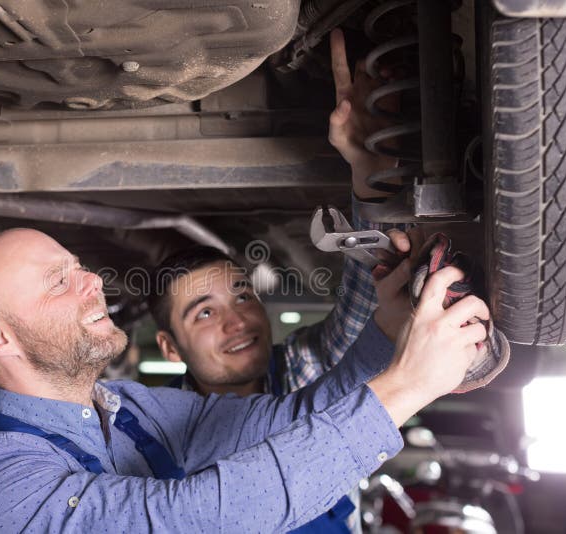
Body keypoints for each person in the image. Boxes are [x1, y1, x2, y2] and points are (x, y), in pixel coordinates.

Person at [0, 220, 490, 531]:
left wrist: (388, 330)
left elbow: (288, 419)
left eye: (81, 268)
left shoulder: (127, 408)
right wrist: (409, 385)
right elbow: (193, 519)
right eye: (59, 282)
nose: (94, 282)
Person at [145, 29, 424, 533]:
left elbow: (367, 308)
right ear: (168, 347)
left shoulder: (305, 367)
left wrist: (369, 169)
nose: (238, 321)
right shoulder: (150, 433)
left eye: (242, 295)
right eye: (204, 312)